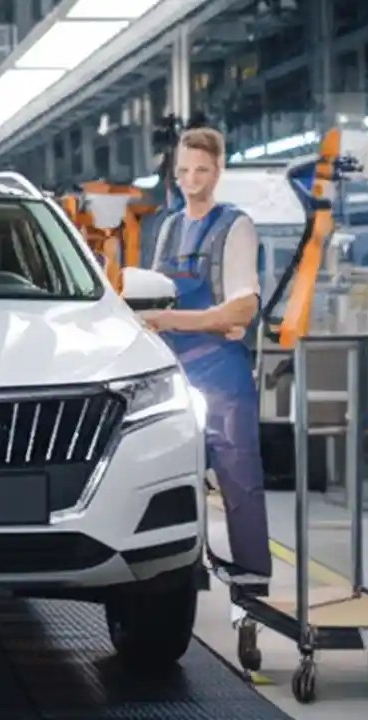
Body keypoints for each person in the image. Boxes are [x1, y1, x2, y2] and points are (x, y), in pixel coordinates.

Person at [142, 127, 273, 594]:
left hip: (220, 366)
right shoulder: (170, 227)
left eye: (200, 170)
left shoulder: (235, 226)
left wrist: (175, 317)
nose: (190, 179)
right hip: (174, 366)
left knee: (237, 470)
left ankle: (254, 572)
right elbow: (151, 292)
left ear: (218, 171)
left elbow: (242, 309)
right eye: (182, 171)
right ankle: (180, 563)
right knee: (171, 470)